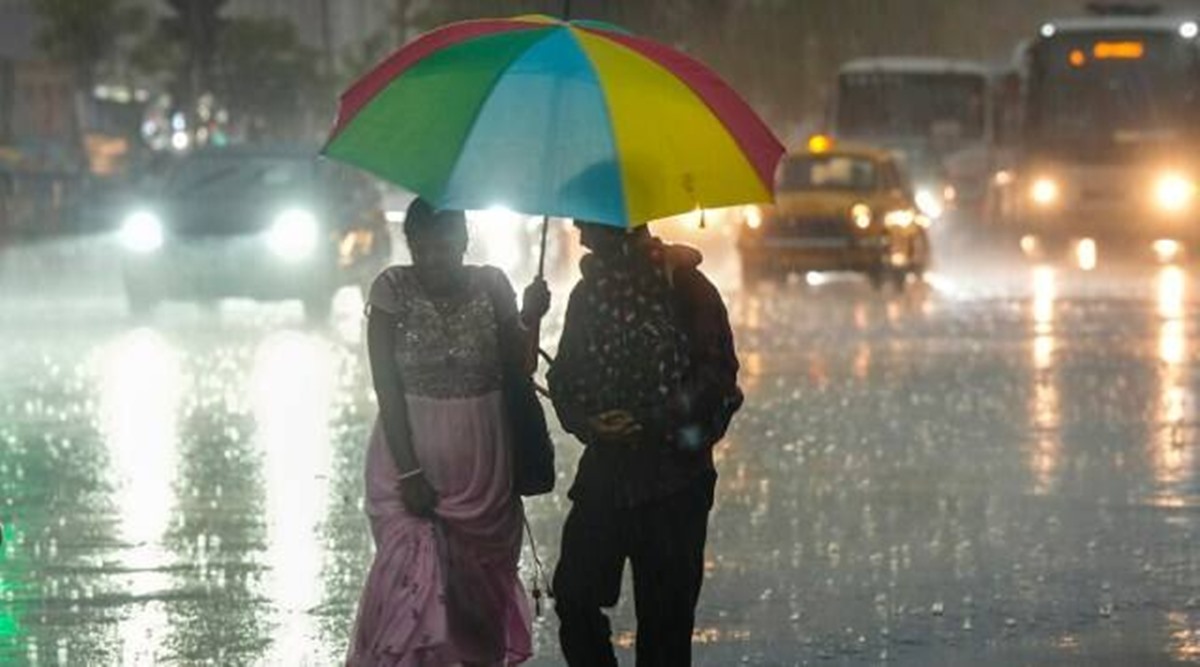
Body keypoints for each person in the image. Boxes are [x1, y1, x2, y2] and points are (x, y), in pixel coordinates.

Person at [347, 198, 551, 667]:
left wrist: (531, 314)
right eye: (421, 250)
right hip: (407, 465)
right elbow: (386, 387)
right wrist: (410, 470)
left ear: (463, 243)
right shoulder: (391, 291)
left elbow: (520, 365)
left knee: (475, 609)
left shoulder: (492, 285)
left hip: (485, 470)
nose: (432, 261)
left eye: (443, 249)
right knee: (412, 601)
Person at [547, 222, 743, 666]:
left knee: (665, 630)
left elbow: (718, 378)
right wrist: (591, 423)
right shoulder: (587, 297)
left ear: (620, 229)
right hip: (605, 479)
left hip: (676, 485)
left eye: (589, 229)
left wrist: (652, 422)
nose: (580, 238)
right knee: (575, 598)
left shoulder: (688, 290)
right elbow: (566, 378)